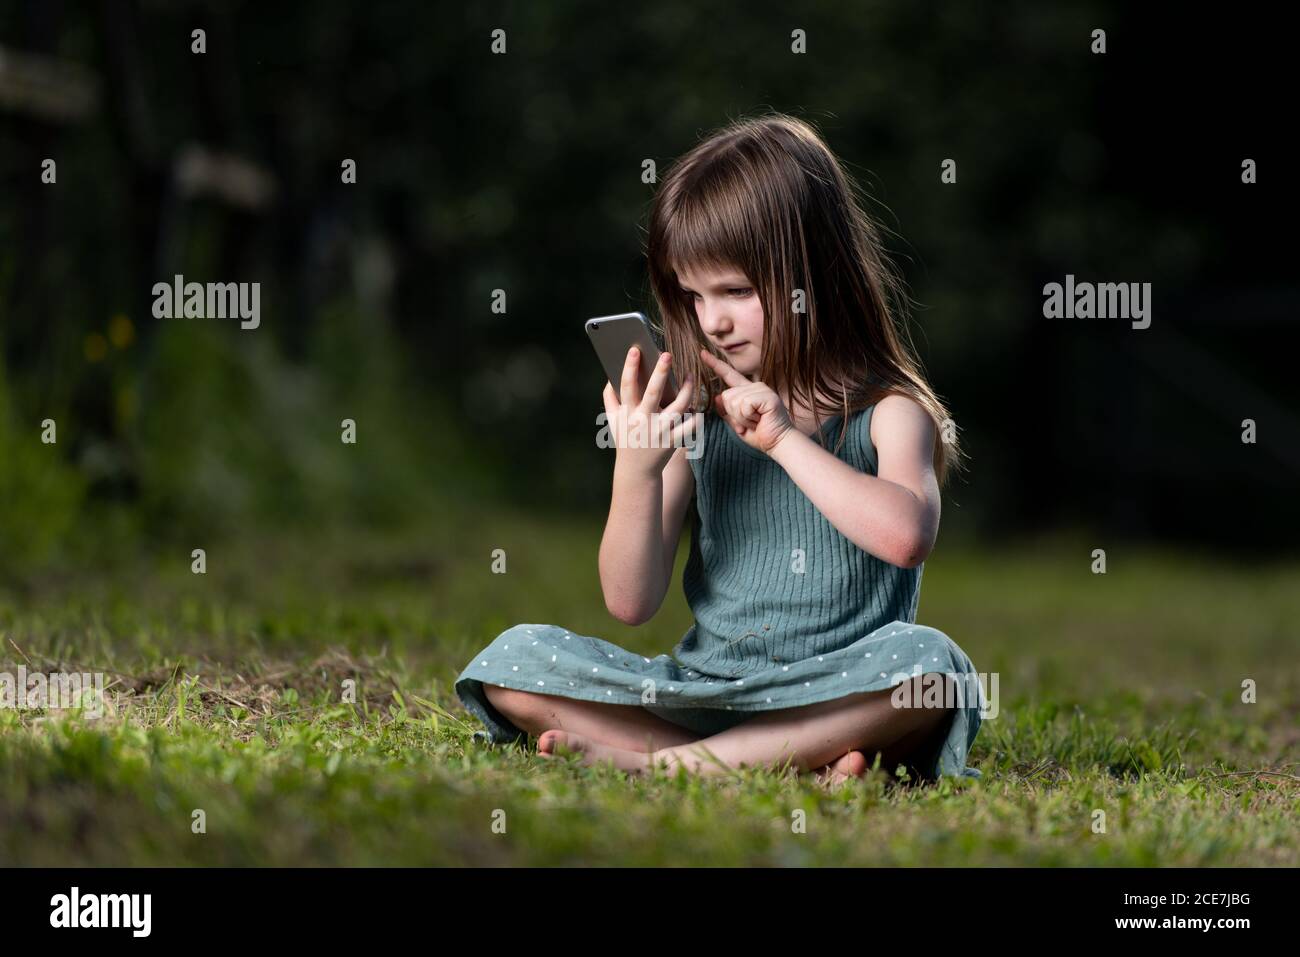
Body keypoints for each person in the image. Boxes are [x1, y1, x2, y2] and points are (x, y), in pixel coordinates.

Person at [455, 112, 985, 787]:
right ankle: (777, 764)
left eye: (735, 290)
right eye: (692, 294)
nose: (713, 320)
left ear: (814, 274)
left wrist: (786, 441)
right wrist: (638, 467)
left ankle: (670, 766)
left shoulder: (889, 411)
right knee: (513, 656)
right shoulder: (696, 417)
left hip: (834, 693)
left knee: (932, 668)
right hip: (706, 691)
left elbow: (907, 536)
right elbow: (629, 599)